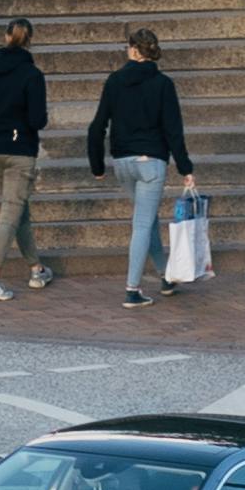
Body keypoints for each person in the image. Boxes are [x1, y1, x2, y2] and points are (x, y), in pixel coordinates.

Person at [87, 25, 186, 297]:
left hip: (123, 162)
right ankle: (132, 289)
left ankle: (166, 275)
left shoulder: (114, 80)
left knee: (147, 218)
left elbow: (96, 127)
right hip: (151, 162)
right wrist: (185, 167)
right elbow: (173, 130)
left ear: (132, 50)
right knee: (143, 223)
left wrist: (97, 166)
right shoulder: (163, 84)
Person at [0, 16, 49, 287]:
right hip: (20, 151)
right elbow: (38, 120)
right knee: (9, 214)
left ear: (6, 37)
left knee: (19, 210)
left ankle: (36, 267)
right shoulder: (32, 75)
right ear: (29, 41)